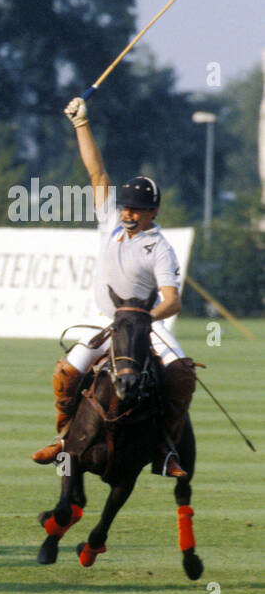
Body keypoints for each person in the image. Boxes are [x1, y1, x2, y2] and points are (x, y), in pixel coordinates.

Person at [29, 96, 196, 477]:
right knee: (66, 373)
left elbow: (173, 301)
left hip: (146, 327)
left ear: (153, 212)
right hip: (102, 320)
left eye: (136, 209)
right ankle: (64, 438)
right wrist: (81, 124)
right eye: (125, 206)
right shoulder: (111, 223)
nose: (127, 212)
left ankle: (166, 449)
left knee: (182, 374)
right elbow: (97, 172)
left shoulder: (160, 249)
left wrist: (141, 319)